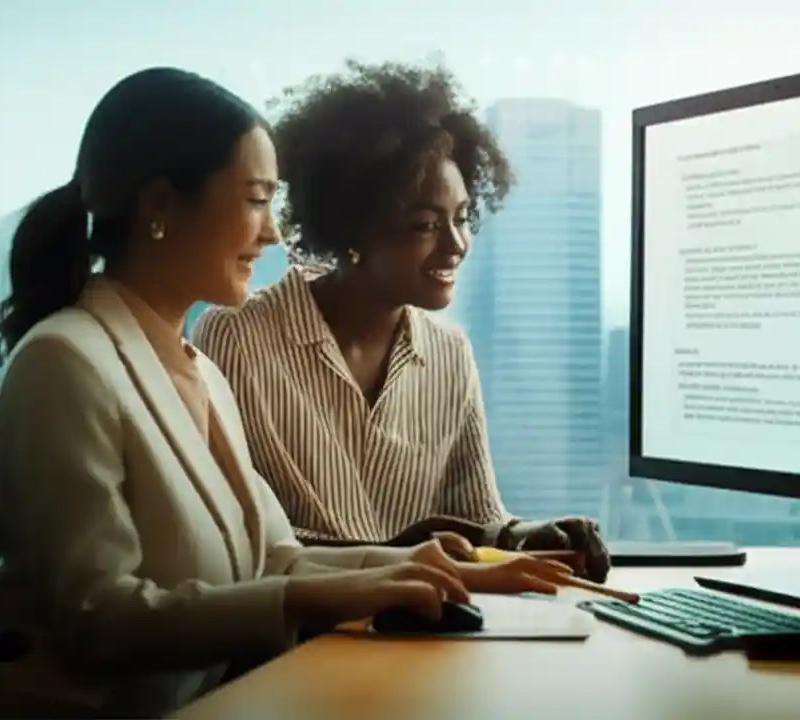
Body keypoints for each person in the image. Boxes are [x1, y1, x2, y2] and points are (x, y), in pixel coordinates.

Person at [0, 67, 567, 718]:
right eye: (254, 200)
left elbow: (275, 558)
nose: (274, 234)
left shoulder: (192, 367)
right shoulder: (64, 364)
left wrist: (420, 567)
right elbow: (99, 620)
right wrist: (334, 596)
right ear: (160, 207)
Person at [191, 61, 612, 582]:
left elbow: (478, 520)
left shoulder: (450, 353)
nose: (456, 244)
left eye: (461, 218)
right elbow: (240, 542)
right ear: (351, 227)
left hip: (421, 636)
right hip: (296, 639)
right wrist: (402, 552)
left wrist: (524, 535)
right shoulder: (235, 338)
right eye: (425, 225)